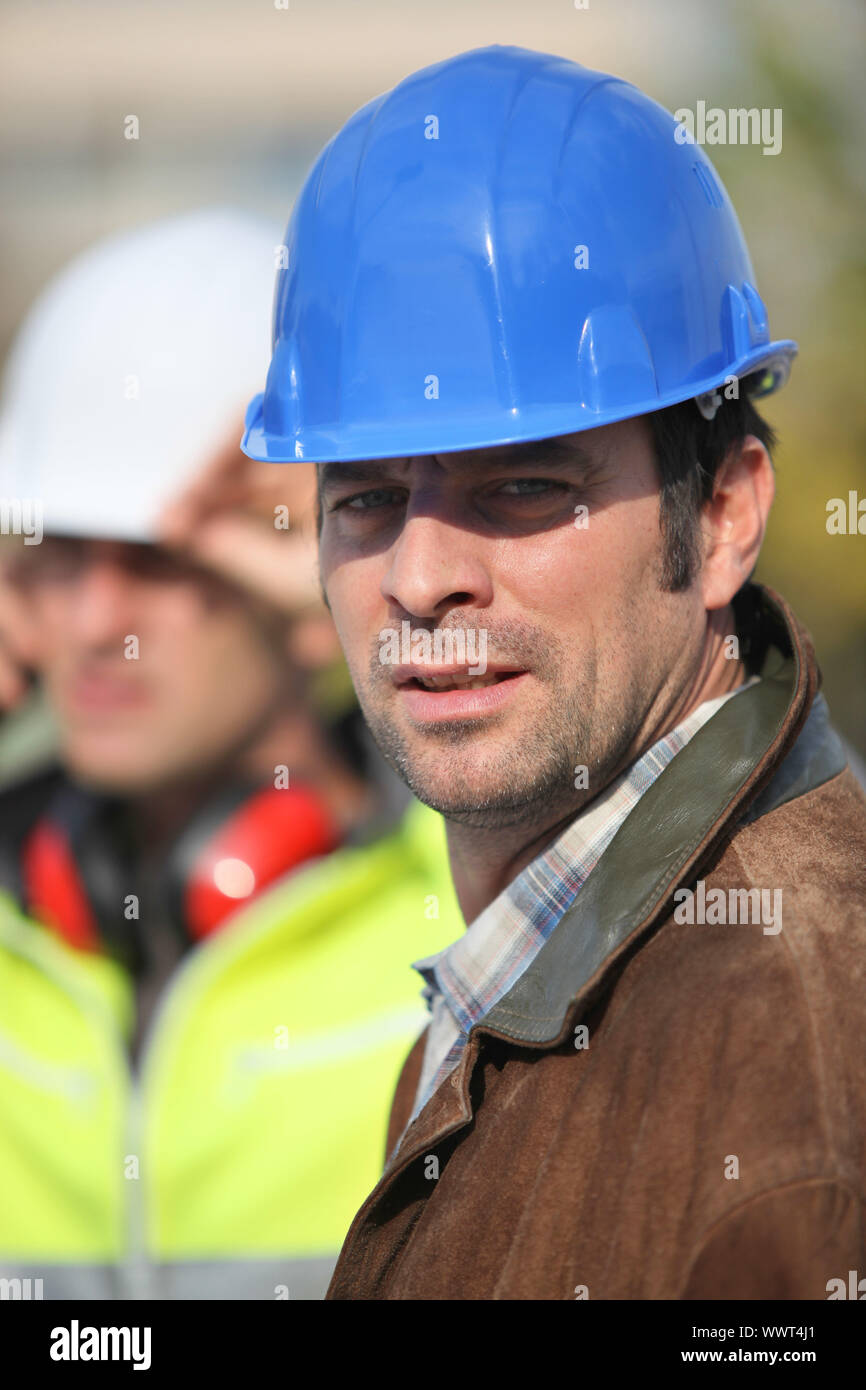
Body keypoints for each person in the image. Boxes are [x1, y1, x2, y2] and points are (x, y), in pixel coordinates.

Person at [239, 46, 866, 1299]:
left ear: (726, 514)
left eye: (522, 485)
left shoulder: (800, 1084)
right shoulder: (520, 985)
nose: (419, 577)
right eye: (365, 498)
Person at [0, 209, 462, 1300]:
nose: (96, 619)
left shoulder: (487, 906)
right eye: (62, 552)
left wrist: (375, 613)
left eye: (161, 558)